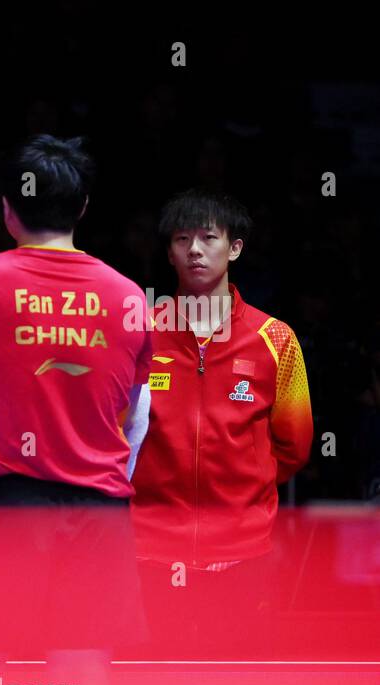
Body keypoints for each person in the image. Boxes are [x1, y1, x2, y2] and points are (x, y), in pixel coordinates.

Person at [0, 136, 152, 665]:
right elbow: (138, 416)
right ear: (81, 208)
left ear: (8, 210)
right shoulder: (129, 295)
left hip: (7, 507)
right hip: (99, 513)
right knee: (80, 675)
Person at [132, 189, 313, 657]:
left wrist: (243, 495)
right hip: (152, 546)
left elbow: (293, 445)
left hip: (243, 549)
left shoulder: (276, 339)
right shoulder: (139, 335)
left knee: (234, 677)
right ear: (169, 251)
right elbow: (114, 432)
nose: (195, 249)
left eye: (208, 237)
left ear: (234, 248)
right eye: (182, 238)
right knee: (162, 678)